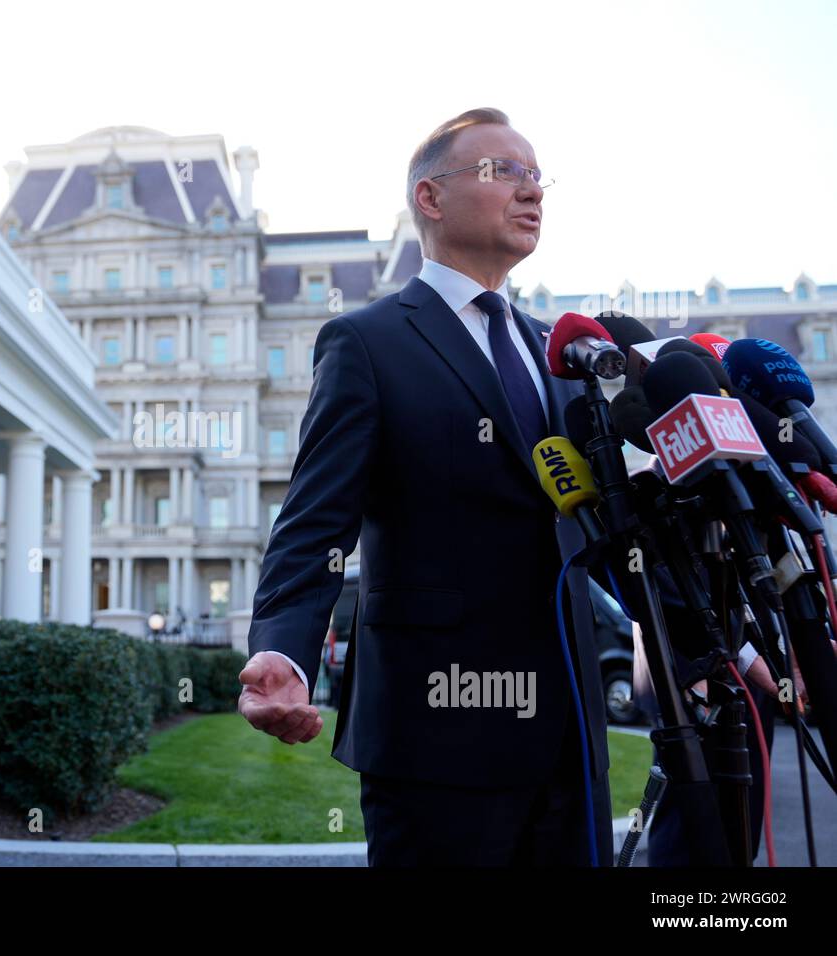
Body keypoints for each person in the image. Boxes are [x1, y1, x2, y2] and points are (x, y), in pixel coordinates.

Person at [238, 108, 614, 866]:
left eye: (536, 175)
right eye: (501, 170)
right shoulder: (368, 341)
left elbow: (608, 530)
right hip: (436, 736)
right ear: (430, 199)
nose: (530, 189)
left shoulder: (563, 353)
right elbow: (315, 522)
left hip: (571, 737)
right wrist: (285, 650)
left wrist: (730, 649)